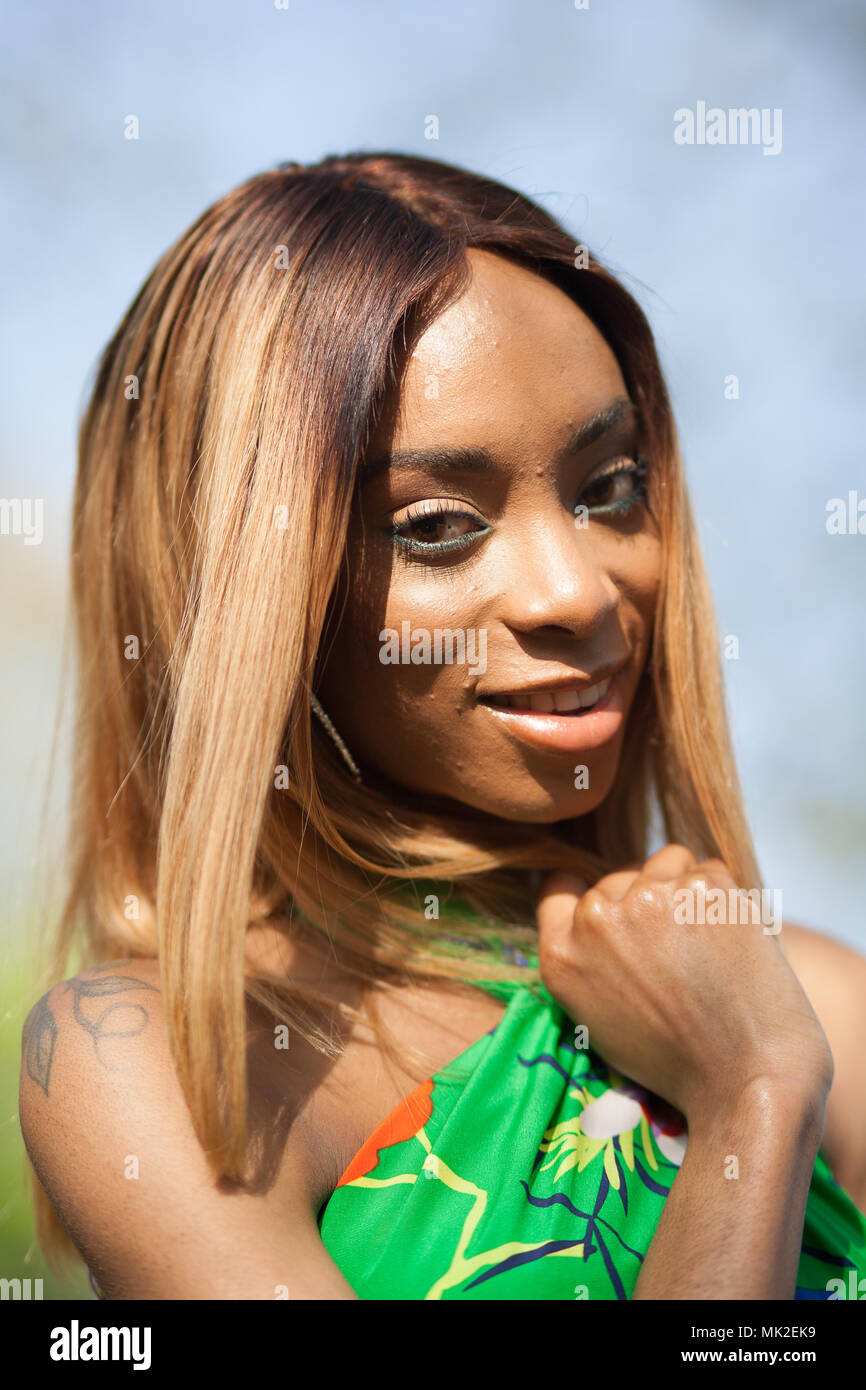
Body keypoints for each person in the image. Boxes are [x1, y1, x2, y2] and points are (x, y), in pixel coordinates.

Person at [18, 152, 866, 1300]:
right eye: (435, 524)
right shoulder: (170, 1062)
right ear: (246, 593)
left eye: (607, 486)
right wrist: (750, 1105)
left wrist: (770, 1060)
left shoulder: (813, 1003)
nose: (573, 590)